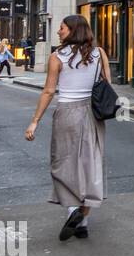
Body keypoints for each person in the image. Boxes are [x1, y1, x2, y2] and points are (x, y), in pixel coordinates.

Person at [25, 15, 109, 241]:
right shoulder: (99, 53)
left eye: (61, 28)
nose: (58, 32)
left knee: (62, 162)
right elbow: (107, 84)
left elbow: (49, 91)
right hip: (92, 113)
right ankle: (83, 219)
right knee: (90, 163)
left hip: (67, 112)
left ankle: (73, 210)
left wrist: (35, 120)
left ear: (72, 30)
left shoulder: (57, 57)